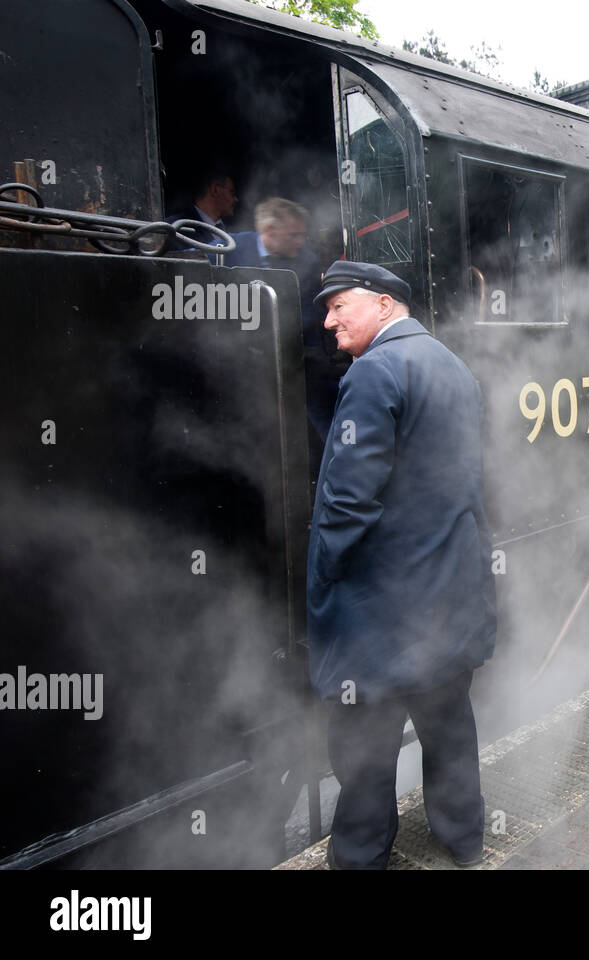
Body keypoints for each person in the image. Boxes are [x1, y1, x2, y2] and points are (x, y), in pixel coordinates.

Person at [306, 261, 497, 870]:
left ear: (384, 305)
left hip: (384, 610)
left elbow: (346, 499)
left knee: (363, 744)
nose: (329, 321)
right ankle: (463, 836)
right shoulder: (452, 365)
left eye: (339, 306)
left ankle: (361, 857)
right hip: (448, 598)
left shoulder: (374, 372)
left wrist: (324, 575)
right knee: (449, 729)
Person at [225, 198, 346, 471]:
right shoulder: (232, 248)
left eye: (302, 234)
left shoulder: (308, 261)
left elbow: (310, 313)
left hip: (299, 355)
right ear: (269, 232)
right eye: (294, 235)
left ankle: (337, 472)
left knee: (324, 416)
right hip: (246, 363)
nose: (300, 241)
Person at [166, 167, 238, 257]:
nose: (236, 199)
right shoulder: (174, 228)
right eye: (232, 192)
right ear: (215, 189)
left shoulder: (231, 229)